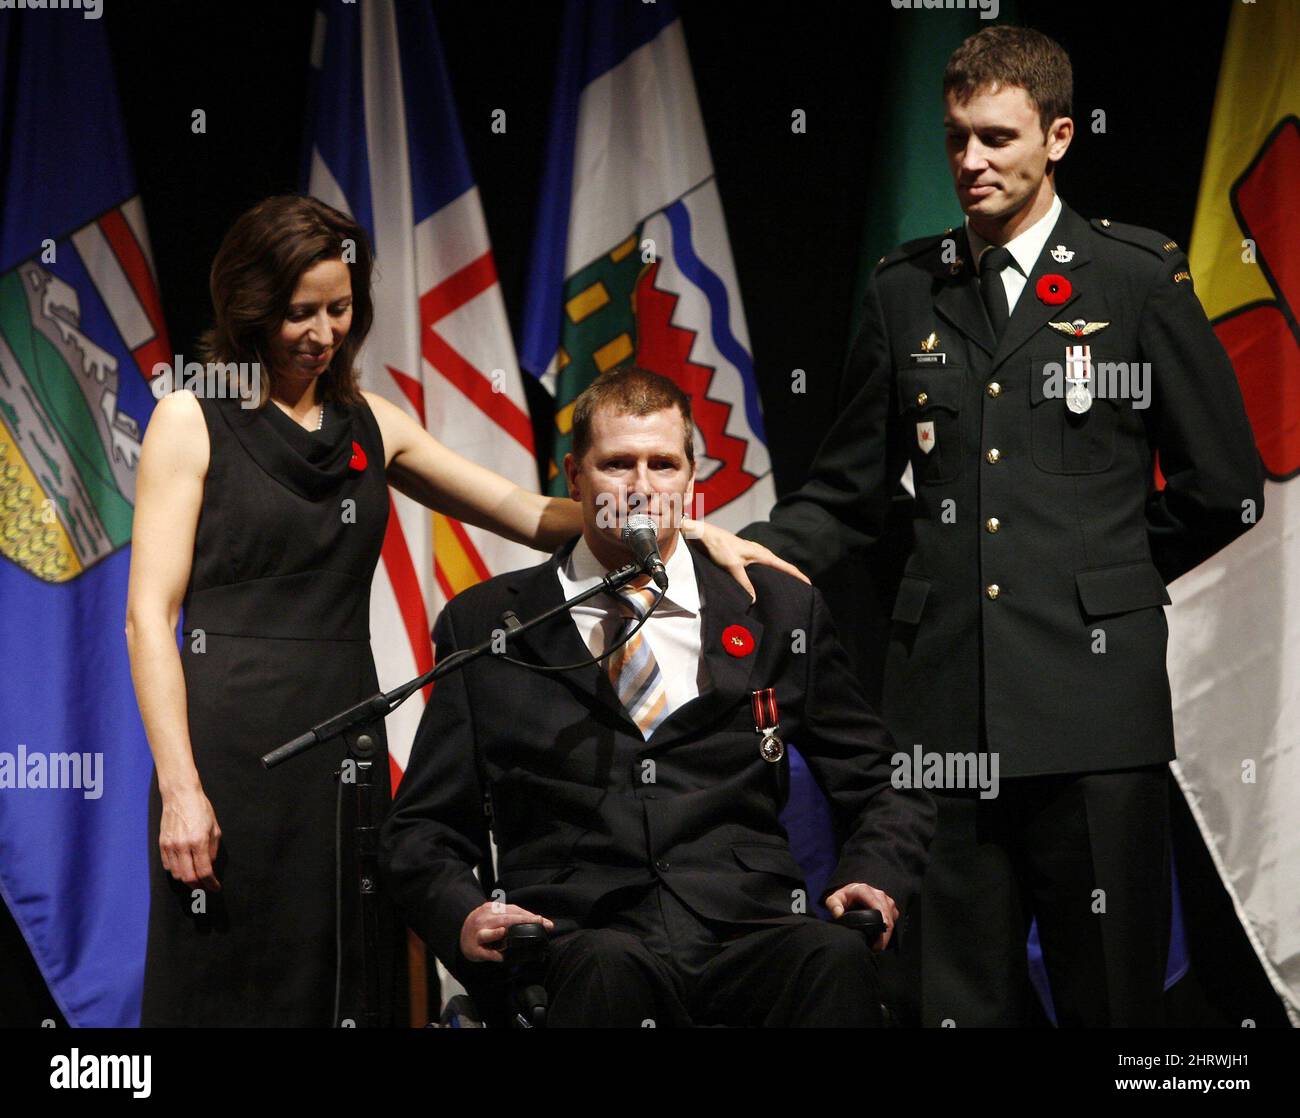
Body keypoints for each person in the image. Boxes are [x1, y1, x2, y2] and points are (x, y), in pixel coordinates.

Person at [124, 195, 798, 1027]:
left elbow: (528, 509)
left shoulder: (372, 422)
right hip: (226, 739)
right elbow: (146, 618)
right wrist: (181, 789)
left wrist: (679, 525)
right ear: (250, 305)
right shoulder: (191, 418)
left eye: (340, 309)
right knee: (228, 968)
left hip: (345, 727)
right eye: (301, 312)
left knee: (345, 964)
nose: (324, 331)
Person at [740, 27, 1264, 1027]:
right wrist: (753, 545)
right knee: (951, 1000)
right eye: (953, 140)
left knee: (1109, 997)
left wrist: (1099, 573)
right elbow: (848, 488)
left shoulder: (1135, 276)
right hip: (943, 714)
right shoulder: (905, 289)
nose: (968, 163)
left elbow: (1224, 485)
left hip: (1092, 707)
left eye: (994, 137)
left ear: (1058, 135)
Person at [379, 366, 935, 1027]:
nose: (641, 488)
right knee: (608, 970)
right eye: (618, 464)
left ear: (692, 478)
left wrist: (872, 873)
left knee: (832, 957)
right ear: (574, 476)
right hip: (580, 937)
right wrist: (465, 913)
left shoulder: (777, 610)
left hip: (749, 928)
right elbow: (421, 830)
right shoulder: (490, 626)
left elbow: (886, 784)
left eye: (663, 464)